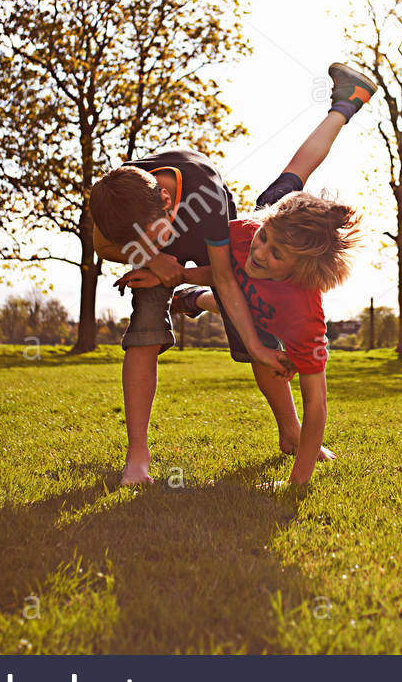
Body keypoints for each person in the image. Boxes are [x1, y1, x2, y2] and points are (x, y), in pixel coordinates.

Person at [114, 63, 375, 484]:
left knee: (256, 325)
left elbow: (317, 403)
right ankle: (348, 103)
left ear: (297, 268)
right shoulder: (247, 234)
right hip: (263, 227)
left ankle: (193, 304)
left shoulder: (303, 316)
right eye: (266, 240)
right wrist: (174, 271)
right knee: (295, 174)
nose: (262, 253)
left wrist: (299, 482)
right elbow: (226, 270)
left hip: (265, 280)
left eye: (274, 254)